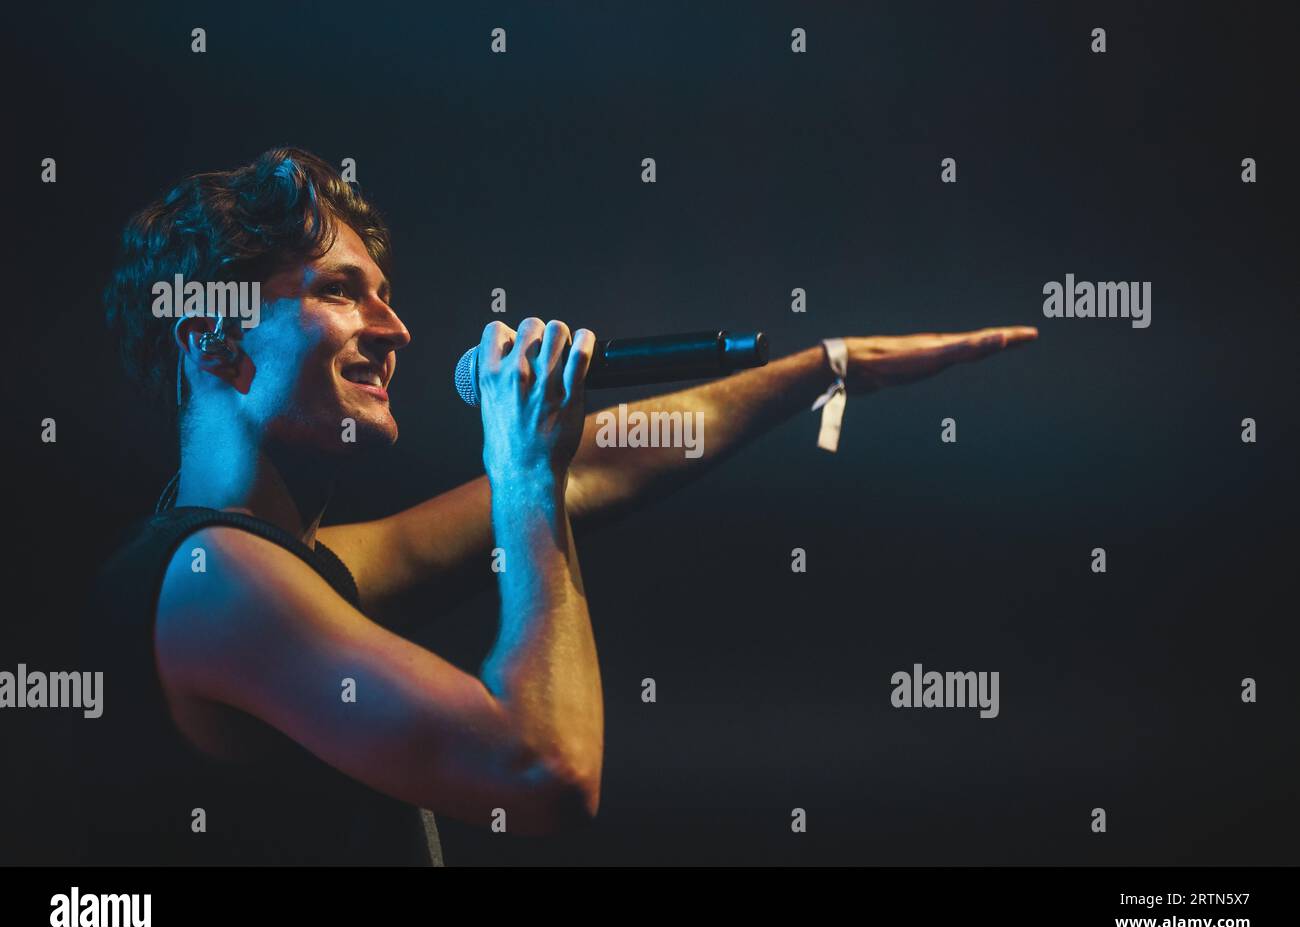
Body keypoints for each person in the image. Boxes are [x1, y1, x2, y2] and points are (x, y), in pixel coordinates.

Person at [86, 146, 1036, 865]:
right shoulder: (218, 581)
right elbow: (543, 771)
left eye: (386, 295)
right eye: (341, 291)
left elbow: (598, 469)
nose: (397, 328)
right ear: (208, 334)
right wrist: (524, 471)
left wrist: (819, 369)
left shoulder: (264, 564)